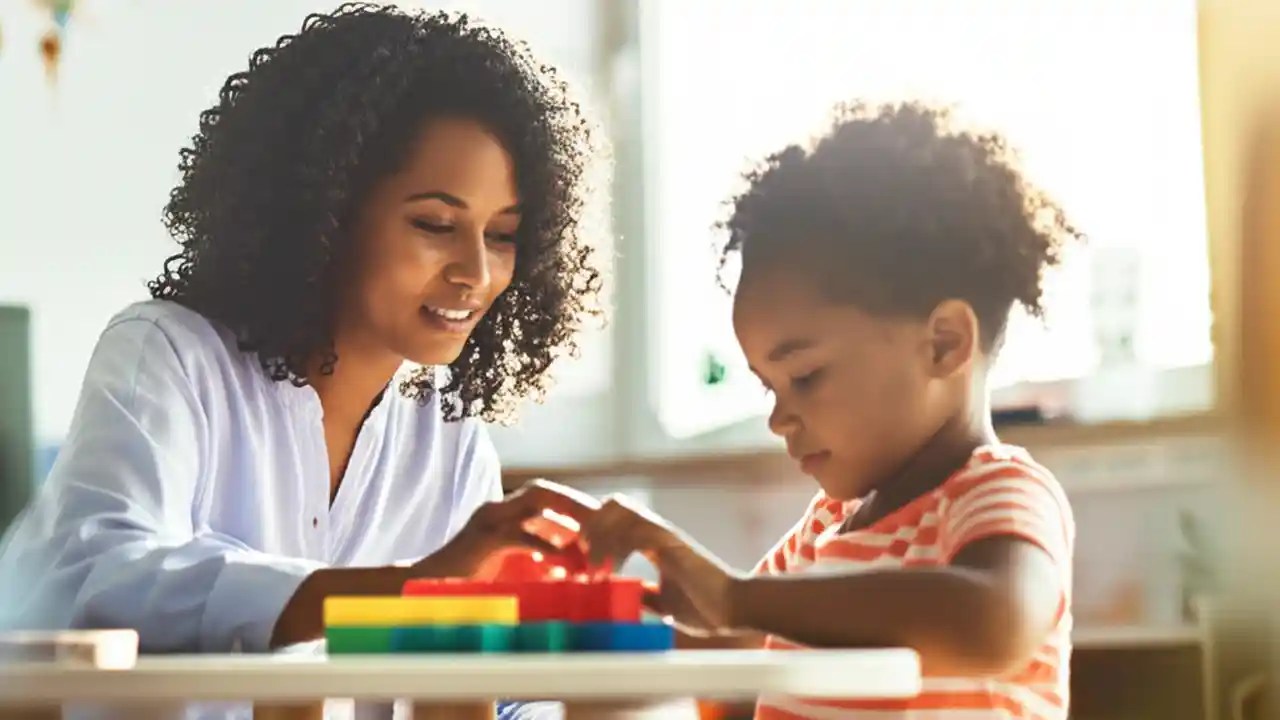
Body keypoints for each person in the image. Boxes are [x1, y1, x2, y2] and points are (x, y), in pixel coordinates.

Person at [0, 4, 603, 718]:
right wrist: (404, 591)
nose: (476, 272)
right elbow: (97, 576)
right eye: (435, 225)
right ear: (328, 208)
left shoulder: (446, 436)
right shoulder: (169, 355)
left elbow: (490, 690)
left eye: (503, 235)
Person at [576, 102, 1080, 719]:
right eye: (770, 388)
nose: (779, 420)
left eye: (806, 377)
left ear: (944, 343)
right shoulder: (827, 529)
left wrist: (734, 597)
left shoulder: (996, 493)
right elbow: (736, 632)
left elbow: (995, 622)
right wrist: (609, 614)